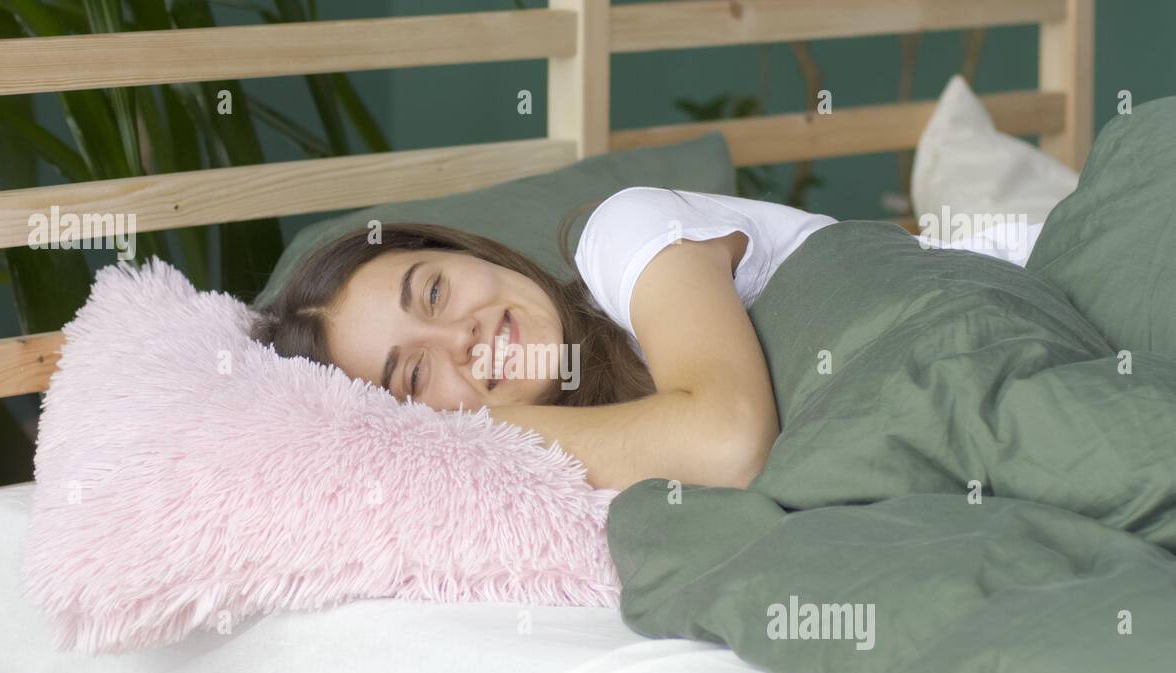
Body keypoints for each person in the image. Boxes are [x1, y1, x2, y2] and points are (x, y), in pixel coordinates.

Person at [250, 186, 1038, 492]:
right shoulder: (577, 462)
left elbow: (730, 440)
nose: (462, 335)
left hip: (1027, 285)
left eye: (433, 289)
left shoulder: (622, 236)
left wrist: (462, 424)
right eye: (414, 378)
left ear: (469, 253)